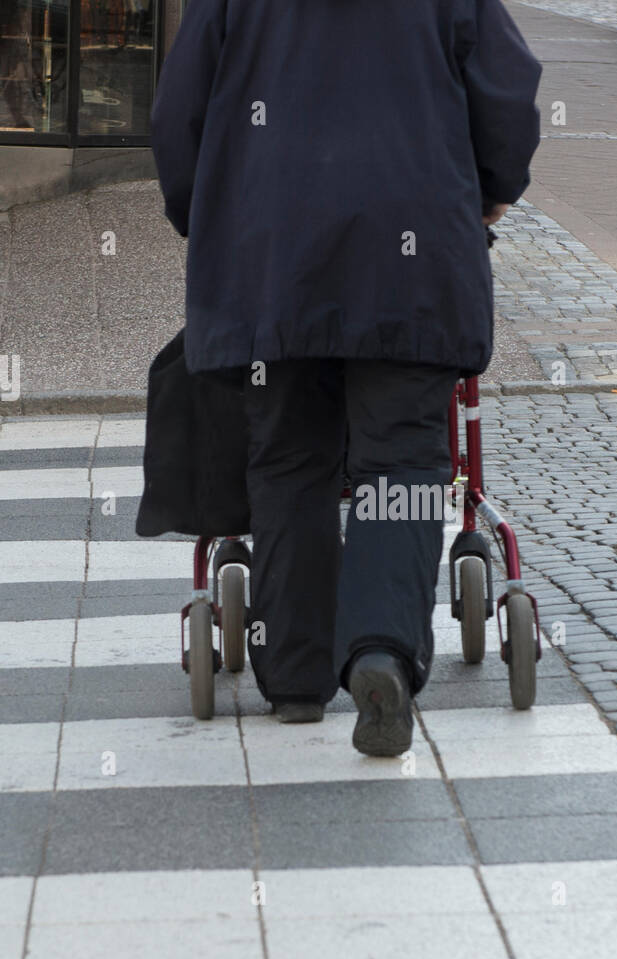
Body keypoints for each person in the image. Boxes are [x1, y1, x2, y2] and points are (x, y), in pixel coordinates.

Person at [151, 0, 541, 756]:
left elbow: (179, 114)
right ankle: (380, 654)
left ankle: (296, 680)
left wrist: (207, 214)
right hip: (413, 254)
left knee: (289, 458)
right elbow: (507, 89)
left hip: (273, 257)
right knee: (402, 458)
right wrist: (495, 186)